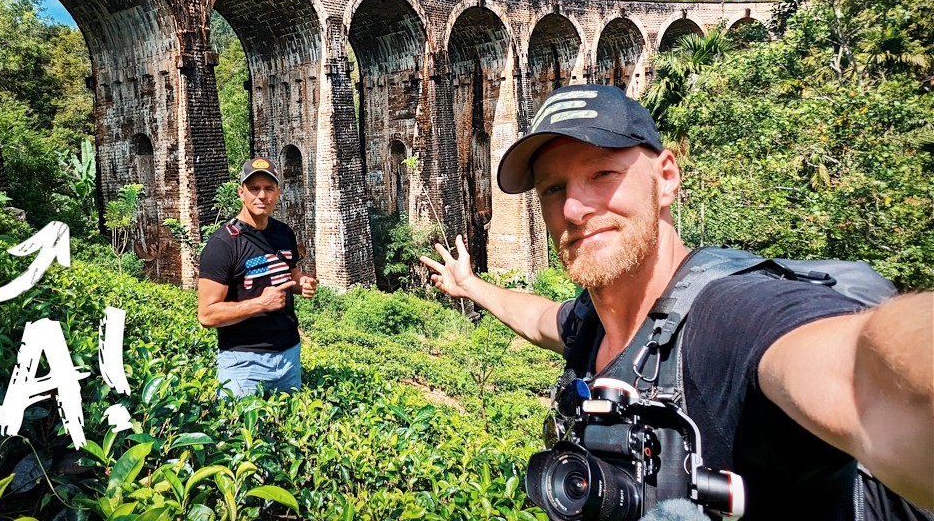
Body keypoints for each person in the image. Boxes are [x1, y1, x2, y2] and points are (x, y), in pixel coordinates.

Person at [420, 84, 933, 519]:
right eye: (554, 189)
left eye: (603, 174)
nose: (575, 208)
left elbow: (865, 375)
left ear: (666, 178)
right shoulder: (591, 323)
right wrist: (471, 286)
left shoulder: (732, 317)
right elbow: (538, 318)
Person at [197, 157, 317, 397]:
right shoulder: (223, 244)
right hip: (244, 360)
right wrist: (260, 304)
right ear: (241, 192)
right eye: (254, 188)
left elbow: (289, 273)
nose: (262, 195)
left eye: (268, 188)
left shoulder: (284, 233)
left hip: (289, 354)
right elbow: (206, 314)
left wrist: (301, 283)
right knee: (239, 432)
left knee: (289, 430)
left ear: (278, 192)